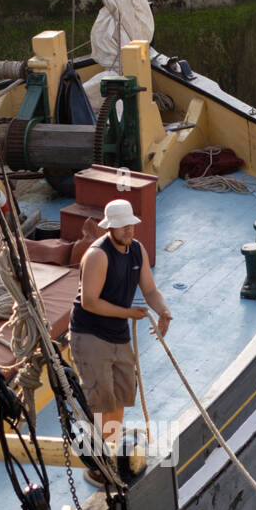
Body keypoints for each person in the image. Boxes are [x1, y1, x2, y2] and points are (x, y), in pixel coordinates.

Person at [68, 198, 172, 484]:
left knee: (123, 391)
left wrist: (162, 310)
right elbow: (89, 302)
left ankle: (112, 447)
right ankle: (100, 465)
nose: (129, 230)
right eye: (122, 226)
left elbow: (149, 289)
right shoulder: (97, 256)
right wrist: (128, 313)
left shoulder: (137, 251)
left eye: (131, 225)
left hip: (117, 332)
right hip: (91, 334)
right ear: (110, 227)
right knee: (102, 399)